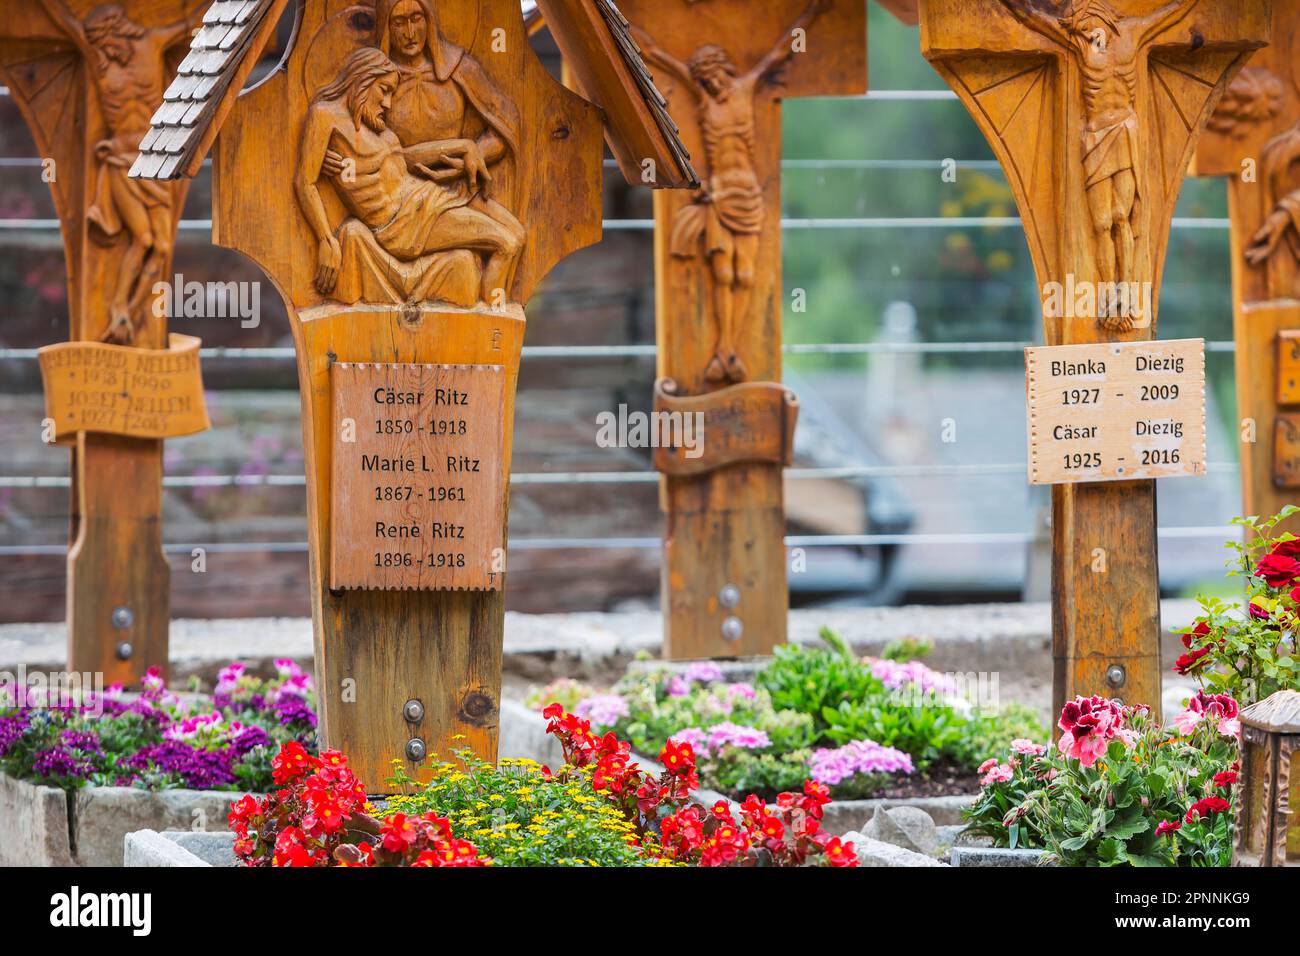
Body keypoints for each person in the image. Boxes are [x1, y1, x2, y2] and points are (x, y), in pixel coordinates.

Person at [635, 0, 831, 383]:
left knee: (745, 275)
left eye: (713, 75)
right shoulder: (703, 100)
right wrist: (619, 24)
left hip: (748, 195)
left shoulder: (746, 88)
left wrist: (813, 14)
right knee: (722, 273)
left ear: (723, 69)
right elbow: (657, 54)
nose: (711, 83)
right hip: (720, 195)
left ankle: (728, 351)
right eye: (704, 79)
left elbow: (778, 53)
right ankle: (724, 351)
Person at [998, 0, 1198, 331]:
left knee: (1124, 219)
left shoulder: (1133, 33)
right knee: (1102, 222)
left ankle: (1128, 297)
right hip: (1094, 139)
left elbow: (1170, 15)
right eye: (1082, 31)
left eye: (1088, 28)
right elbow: (1034, 20)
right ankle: (1109, 299)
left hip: (1125, 132)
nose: (1087, 34)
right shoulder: (1080, 44)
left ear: (1100, 17)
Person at [299, 47, 525, 306]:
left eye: (391, 93)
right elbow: (305, 182)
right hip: (404, 226)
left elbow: (405, 160)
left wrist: (465, 146)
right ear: (363, 79)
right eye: (383, 90)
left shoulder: (376, 128)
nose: (387, 103)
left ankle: (492, 313)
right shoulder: (325, 116)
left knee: (517, 235)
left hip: (428, 201)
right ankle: (492, 319)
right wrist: (325, 239)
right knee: (506, 244)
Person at [38, 1, 193, 344]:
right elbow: (67, 26)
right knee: (144, 239)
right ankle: (120, 308)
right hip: (121, 163)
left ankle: (130, 313)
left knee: (162, 245)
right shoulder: (99, 61)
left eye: (108, 44)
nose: (105, 52)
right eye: (100, 47)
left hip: (157, 161)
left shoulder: (153, 42)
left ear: (120, 31)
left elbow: (191, 24)